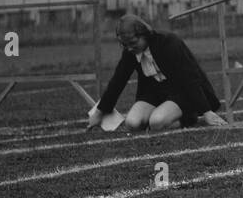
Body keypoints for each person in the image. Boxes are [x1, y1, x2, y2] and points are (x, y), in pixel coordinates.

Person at [87, 15, 228, 132]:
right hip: (154, 93)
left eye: (133, 43)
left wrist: (206, 111)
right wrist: (100, 112)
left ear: (144, 35)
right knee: (132, 123)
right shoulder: (130, 52)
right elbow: (118, 80)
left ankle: (189, 117)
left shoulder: (169, 42)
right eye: (125, 45)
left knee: (156, 123)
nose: (129, 48)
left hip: (180, 92)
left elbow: (189, 78)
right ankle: (163, 116)